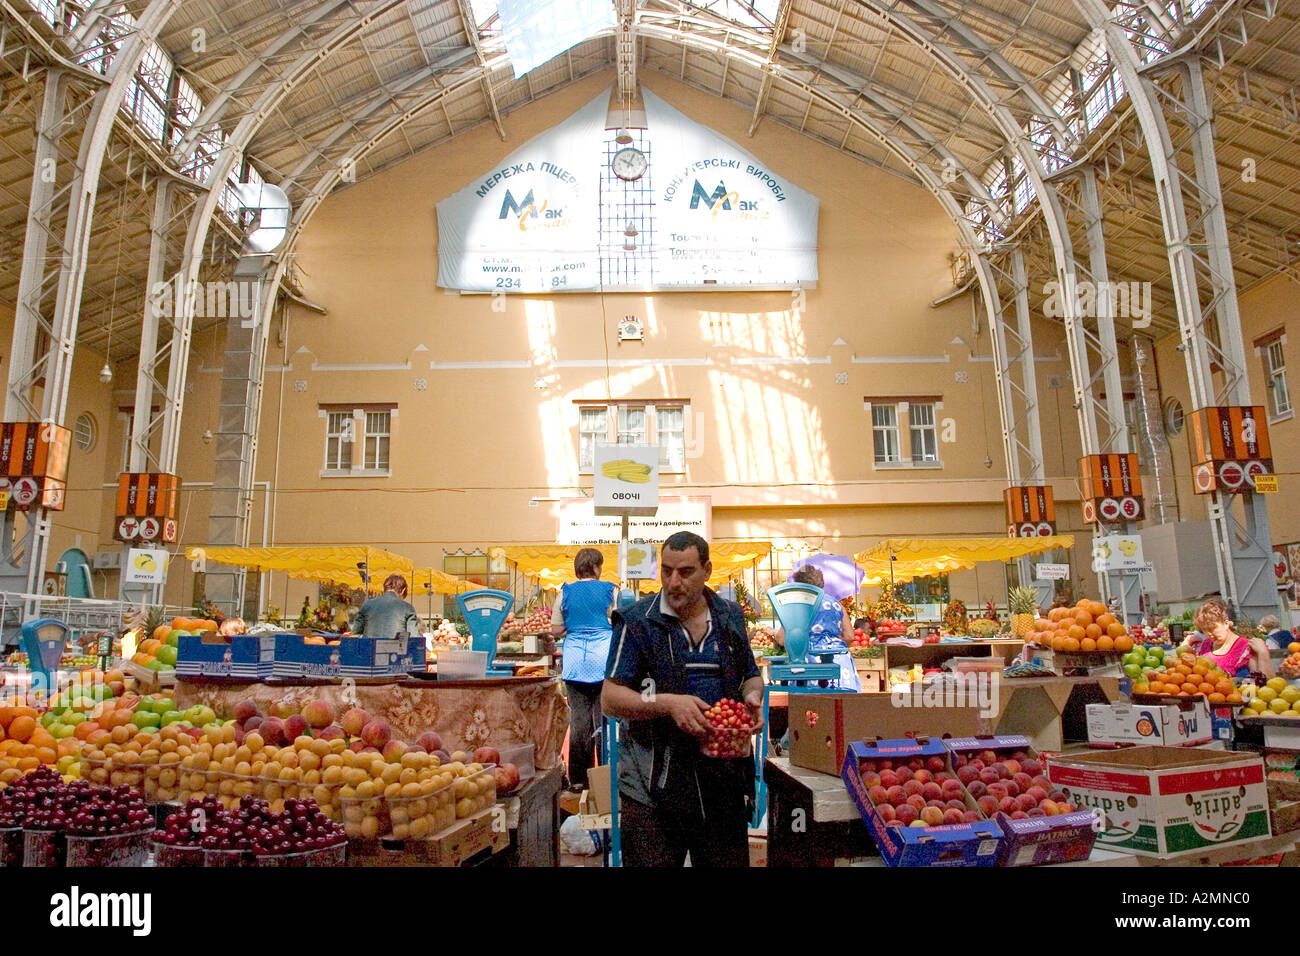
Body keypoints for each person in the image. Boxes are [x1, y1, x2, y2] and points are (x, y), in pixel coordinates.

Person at [602, 531, 763, 867]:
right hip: (652, 788)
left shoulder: (730, 616)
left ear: (707, 569)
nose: (673, 581)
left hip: (722, 784)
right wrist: (668, 703)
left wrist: (752, 697)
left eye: (685, 572)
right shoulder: (637, 622)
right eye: (666, 570)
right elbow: (610, 698)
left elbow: (750, 674)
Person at [549, 548, 617, 792]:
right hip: (603, 661)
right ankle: (605, 778)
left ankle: (579, 779)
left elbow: (556, 629)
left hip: (575, 661)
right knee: (603, 720)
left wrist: (573, 629)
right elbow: (617, 622)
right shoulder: (610, 590)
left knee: (579, 721)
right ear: (597, 567)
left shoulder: (564, 592)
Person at [775, 566, 860, 692]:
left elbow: (781, 639)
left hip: (808, 660)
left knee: (811, 706)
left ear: (799, 584)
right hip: (837, 660)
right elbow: (849, 636)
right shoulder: (836, 604)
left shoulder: (799, 605)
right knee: (841, 704)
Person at [1187, 598, 1274, 680]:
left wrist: (1263, 653)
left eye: (1212, 628)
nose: (1208, 634)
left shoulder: (1247, 648)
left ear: (1226, 623)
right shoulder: (1201, 648)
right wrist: (1186, 646)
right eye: (1204, 630)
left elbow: (1265, 683)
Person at [352, 574, 421, 639]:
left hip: (369, 650)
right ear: (403, 590)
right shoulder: (408, 608)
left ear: (384, 589)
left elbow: (355, 634)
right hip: (396, 650)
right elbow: (413, 637)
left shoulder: (367, 605)